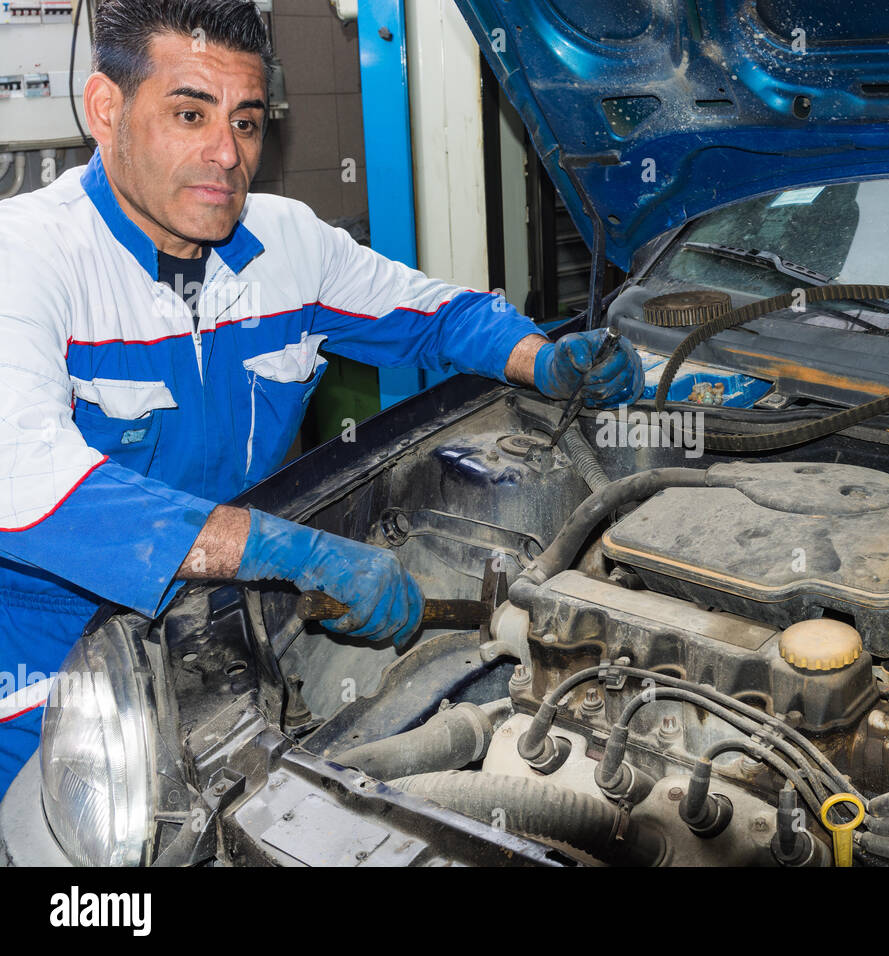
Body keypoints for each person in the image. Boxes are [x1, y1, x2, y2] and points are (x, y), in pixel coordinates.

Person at [0, 0, 643, 794]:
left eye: (245, 121)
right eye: (189, 113)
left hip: (233, 629)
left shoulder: (286, 245)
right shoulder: (27, 255)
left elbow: (434, 317)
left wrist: (544, 364)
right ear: (106, 109)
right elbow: (31, 486)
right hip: (50, 670)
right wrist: (291, 552)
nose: (225, 153)